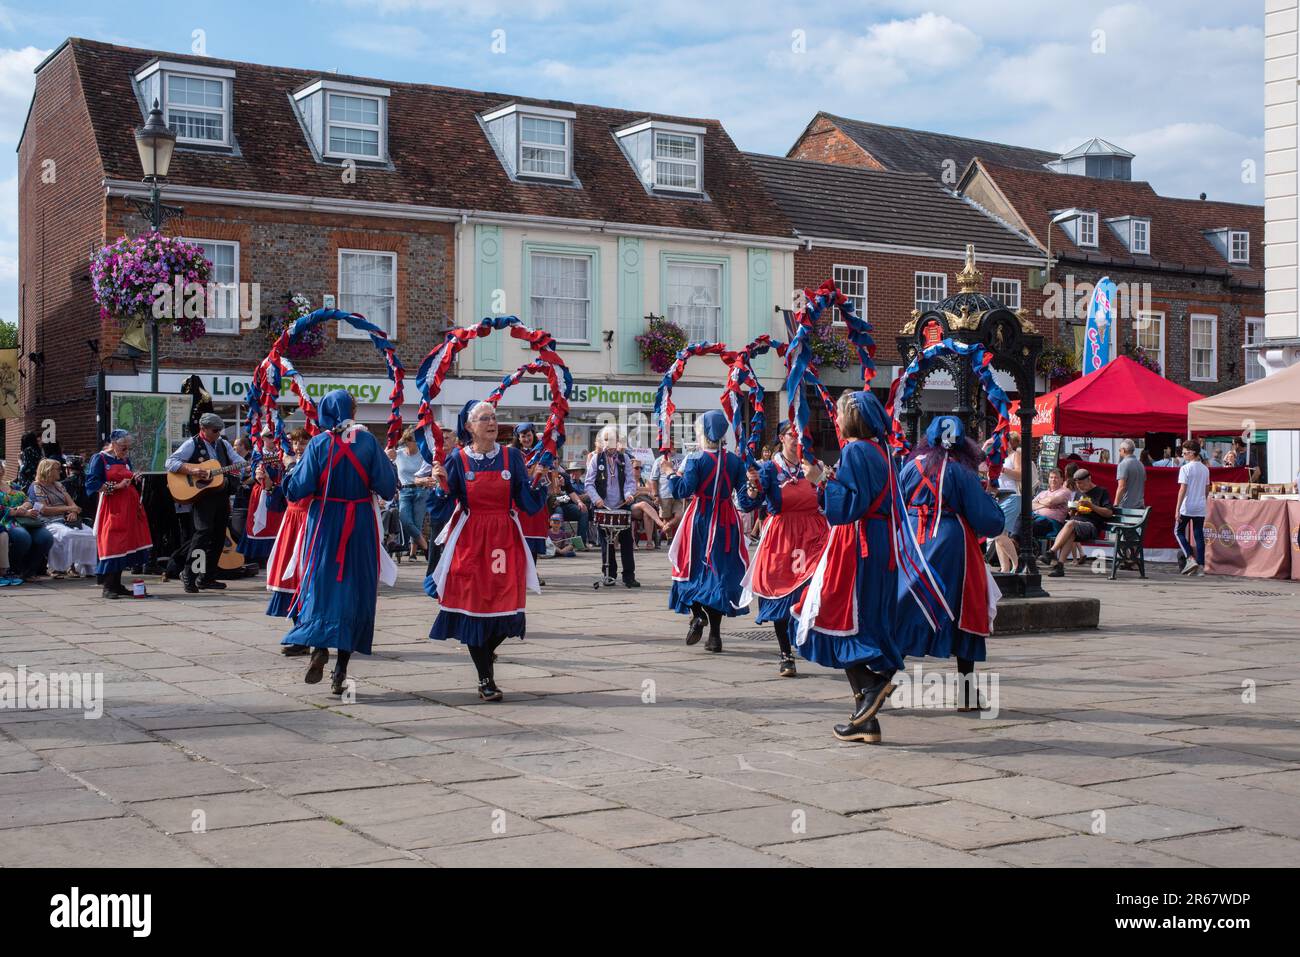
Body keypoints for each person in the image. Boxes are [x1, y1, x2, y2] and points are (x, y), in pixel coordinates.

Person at [794, 391, 924, 745]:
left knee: (833, 617)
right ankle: (865, 720)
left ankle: (872, 685)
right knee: (859, 618)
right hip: (880, 542)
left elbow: (848, 507)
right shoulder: (882, 452)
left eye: (838, 414)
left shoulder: (855, 451)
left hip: (856, 541)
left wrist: (820, 480)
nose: (835, 419)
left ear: (852, 418)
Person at [425, 400, 549, 702]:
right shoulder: (458, 459)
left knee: (507, 605)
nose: (491, 422)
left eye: (493, 417)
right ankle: (485, 679)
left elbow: (526, 500)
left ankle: (486, 652)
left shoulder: (511, 457)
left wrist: (538, 481)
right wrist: (440, 485)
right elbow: (442, 506)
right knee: (474, 608)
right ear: (469, 427)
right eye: (484, 419)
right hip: (470, 539)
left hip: (504, 539)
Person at [280, 391, 398, 695]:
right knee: (356, 592)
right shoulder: (368, 442)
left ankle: (319, 647)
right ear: (352, 412)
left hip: (324, 523)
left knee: (319, 585)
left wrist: (290, 468)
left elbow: (296, 489)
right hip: (359, 522)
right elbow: (387, 486)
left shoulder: (318, 443)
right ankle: (341, 671)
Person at [895, 417, 1005, 710]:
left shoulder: (910, 467)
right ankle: (966, 693)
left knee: (907, 607)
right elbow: (988, 520)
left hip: (911, 542)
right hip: (951, 547)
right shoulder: (962, 471)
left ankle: (883, 679)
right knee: (964, 612)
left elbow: (896, 505)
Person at [667, 410, 761, 653]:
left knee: (689, 569)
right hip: (726, 522)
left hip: (700, 519)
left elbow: (682, 490)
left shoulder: (695, 459)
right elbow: (746, 502)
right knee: (717, 576)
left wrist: (670, 473)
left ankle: (698, 614)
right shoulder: (735, 461)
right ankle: (715, 637)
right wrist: (753, 489)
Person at [741, 420, 828, 677]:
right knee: (780, 594)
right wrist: (752, 485)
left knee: (814, 588)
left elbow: (827, 499)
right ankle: (785, 653)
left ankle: (810, 638)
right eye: (793, 435)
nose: (798, 439)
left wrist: (825, 479)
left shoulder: (813, 465)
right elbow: (748, 503)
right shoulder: (769, 468)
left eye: (802, 435)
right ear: (782, 438)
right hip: (782, 537)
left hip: (814, 535)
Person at [166, 413, 246, 593]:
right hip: (203, 497)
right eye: (215, 430)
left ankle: (207, 577)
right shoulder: (192, 444)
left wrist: (247, 465)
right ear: (203, 429)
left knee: (218, 536)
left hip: (221, 495)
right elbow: (170, 462)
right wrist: (193, 470)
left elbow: (237, 460)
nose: (218, 433)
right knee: (202, 534)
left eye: (220, 430)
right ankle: (189, 574)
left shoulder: (223, 444)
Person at [85, 430, 153, 599]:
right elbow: (92, 484)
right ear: (114, 444)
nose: (126, 451)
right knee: (112, 543)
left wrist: (134, 478)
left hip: (129, 507)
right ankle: (108, 586)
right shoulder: (99, 458)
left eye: (128, 448)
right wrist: (116, 486)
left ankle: (117, 585)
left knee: (125, 543)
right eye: (123, 447)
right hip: (112, 506)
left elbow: (127, 476)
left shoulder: (124, 459)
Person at [266, 428, 314, 655]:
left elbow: (301, 488)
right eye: (295, 443)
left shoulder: (314, 465)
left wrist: (291, 466)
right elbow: (279, 503)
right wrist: (268, 485)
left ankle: (305, 636)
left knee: (305, 580)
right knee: (289, 580)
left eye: (303, 442)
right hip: (290, 524)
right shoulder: (293, 464)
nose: (298, 447)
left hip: (308, 524)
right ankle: (300, 634)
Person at [585, 425, 639, 588]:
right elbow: (589, 483)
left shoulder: (625, 458)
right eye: (607, 439)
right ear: (602, 441)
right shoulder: (596, 458)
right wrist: (596, 499)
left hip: (622, 505)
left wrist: (629, 494)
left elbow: (630, 481)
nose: (610, 443)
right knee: (606, 542)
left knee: (626, 541)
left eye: (613, 439)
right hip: (603, 506)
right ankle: (609, 574)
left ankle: (629, 576)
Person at [27, 458, 98, 577]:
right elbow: (44, 510)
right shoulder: (36, 487)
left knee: (90, 534)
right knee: (66, 535)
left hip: (65, 520)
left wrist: (73, 513)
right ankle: (57, 568)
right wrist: (68, 509)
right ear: (48, 471)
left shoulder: (59, 485)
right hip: (48, 521)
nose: (60, 471)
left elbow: (73, 506)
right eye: (57, 469)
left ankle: (87, 568)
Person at [1045, 468, 1114, 577]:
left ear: (1089, 479)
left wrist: (1091, 506)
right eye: (1077, 484)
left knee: (1070, 524)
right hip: (1077, 525)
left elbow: (1109, 513)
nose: (1079, 486)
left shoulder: (1101, 492)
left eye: (1081, 483)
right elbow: (1073, 514)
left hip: (1092, 526)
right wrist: (1072, 510)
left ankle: (1051, 552)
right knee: (1071, 532)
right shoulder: (1078, 493)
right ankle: (1060, 566)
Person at [237, 430, 286, 564]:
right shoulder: (258, 453)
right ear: (263, 438)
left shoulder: (283, 452)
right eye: (270, 436)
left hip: (279, 492)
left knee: (277, 524)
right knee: (261, 525)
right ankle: (258, 557)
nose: (273, 439)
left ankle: (276, 554)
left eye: (275, 436)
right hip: (263, 491)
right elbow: (255, 475)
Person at [1175, 439, 1211, 576]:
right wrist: (1202, 500)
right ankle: (1201, 566)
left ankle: (1190, 558)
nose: (1183, 455)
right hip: (1200, 505)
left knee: (1178, 531)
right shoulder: (1205, 469)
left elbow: (1182, 489)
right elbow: (1206, 490)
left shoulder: (1185, 468)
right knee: (1198, 535)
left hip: (1187, 505)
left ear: (1191, 453)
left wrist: (1177, 509)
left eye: (1184, 453)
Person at [990, 432, 1023, 574]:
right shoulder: (997, 458)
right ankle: (1005, 569)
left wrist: (1003, 469)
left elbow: (1020, 474)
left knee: (998, 533)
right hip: (1000, 497)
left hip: (1012, 496)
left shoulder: (1015, 455)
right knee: (999, 534)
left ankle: (1017, 564)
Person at [394, 427, 429, 561]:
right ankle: (426, 546)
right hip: (404, 491)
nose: (414, 442)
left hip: (421, 490)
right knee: (405, 519)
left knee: (417, 522)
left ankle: (412, 553)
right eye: (411, 440)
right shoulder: (398, 454)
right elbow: (385, 462)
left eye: (416, 440)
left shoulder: (423, 454)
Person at [629, 458, 667, 548]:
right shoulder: (628, 481)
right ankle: (661, 524)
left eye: (641, 468)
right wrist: (646, 491)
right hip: (632, 507)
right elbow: (632, 492)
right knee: (643, 505)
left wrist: (642, 492)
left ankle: (649, 542)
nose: (639, 470)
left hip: (644, 509)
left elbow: (653, 494)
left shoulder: (644, 480)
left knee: (647, 513)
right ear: (630, 468)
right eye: (636, 468)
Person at [650, 449, 685, 542]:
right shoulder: (659, 461)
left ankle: (661, 532)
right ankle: (669, 539)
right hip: (664, 494)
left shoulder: (683, 458)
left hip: (679, 493)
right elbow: (653, 479)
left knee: (679, 516)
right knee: (666, 517)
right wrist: (656, 495)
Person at [1030, 468, 1072, 539]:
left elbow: (1050, 501)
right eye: (1051, 477)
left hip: (1052, 522)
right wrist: (1046, 504)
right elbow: (1030, 505)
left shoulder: (1065, 492)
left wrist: (1039, 501)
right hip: (1035, 517)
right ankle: (1014, 541)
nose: (1053, 479)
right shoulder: (1043, 493)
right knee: (1022, 518)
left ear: (1062, 480)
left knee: (1029, 526)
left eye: (1056, 477)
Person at [1114, 439, 1145, 509]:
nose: (1119, 452)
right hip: (1140, 506)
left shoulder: (1123, 464)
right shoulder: (1141, 464)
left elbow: (1121, 487)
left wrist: (1115, 504)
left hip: (1127, 507)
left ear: (1123, 450)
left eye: (1119, 450)